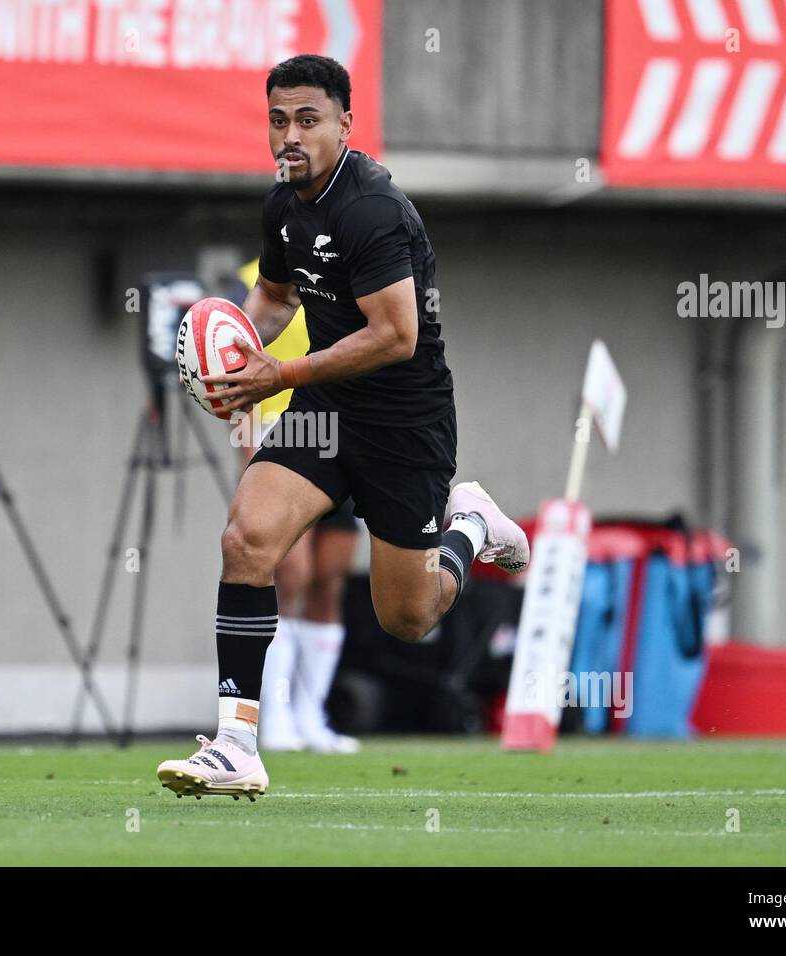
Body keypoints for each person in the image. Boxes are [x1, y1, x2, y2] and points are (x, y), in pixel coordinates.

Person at [157, 55, 529, 798]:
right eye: (277, 120)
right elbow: (271, 294)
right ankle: (237, 744)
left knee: (408, 616)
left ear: (345, 125)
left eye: (307, 120)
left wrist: (278, 374)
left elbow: (395, 335)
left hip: (403, 422)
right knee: (246, 538)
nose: (289, 136)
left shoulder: (374, 208)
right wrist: (229, 355)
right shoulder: (283, 203)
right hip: (326, 411)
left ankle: (471, 523)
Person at [232, 258, 360, 754]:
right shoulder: (251, 282)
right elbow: (235, 370)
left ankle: (313, 715)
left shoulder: (346, 276)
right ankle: (276, 715)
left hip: (341, 437)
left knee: (329, 580)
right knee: (291, 575)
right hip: (284, 437)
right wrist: (250, 457)